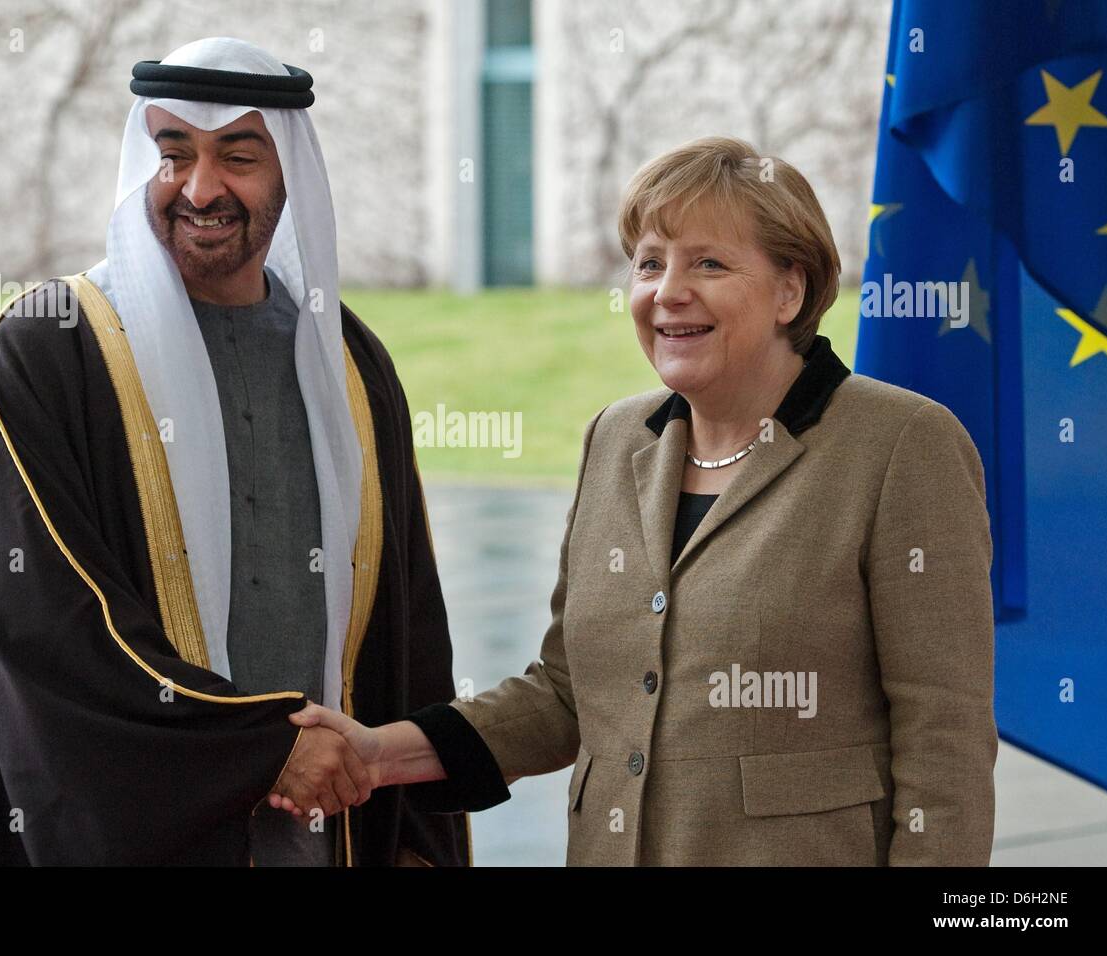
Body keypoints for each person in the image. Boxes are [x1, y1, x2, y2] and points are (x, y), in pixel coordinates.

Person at [270, 137, 999, 866]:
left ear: (790, 291)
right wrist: (380, 754)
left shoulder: (904, 444)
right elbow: (567, 694)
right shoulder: (617, 438)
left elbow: (946, 741)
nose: (667, 292)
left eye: (708, 263)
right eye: (650, 263)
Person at [0, 37, 469, 867]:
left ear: (288, 173)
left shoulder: (348, 363)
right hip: (133, 834)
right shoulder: (48, 350)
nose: (201, 188)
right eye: (175, 154)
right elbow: (47, 631)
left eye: (238, 158)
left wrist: (421, 836)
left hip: (327, 834)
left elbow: (406, 623)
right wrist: (254, 748)